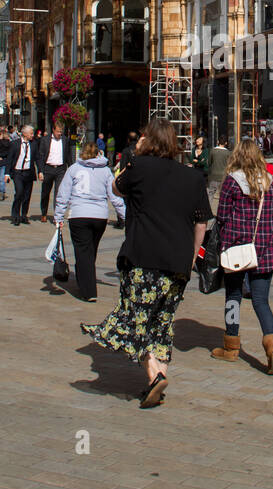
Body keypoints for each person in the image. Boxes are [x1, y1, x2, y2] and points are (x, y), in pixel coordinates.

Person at [81, 117, 212, 409]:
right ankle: (159, 378)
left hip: (142, 257)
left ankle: (154, 375)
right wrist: (193, 254)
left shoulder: (138, 168)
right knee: (162, 323)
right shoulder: (193, 177)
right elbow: (202, 222)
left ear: (148, 140)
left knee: (137, 320)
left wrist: (135, 156)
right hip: (178, 261)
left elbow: (115, 188)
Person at [212, 139, 273, 373]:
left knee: (233, 295)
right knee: (261, 301)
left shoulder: (233, 182)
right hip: (266, 249)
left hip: (236, 249)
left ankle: (231, 347)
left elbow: (222, 215)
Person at [55, 139, 126, 302]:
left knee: (83, 251)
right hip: (99, 216)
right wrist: (125, 215)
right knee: (90, 250)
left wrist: (59, 216)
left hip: (79, 214)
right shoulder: (105, 171)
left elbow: (63, 194)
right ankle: (83, 277)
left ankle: (89, 290)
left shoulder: (74, 169)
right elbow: (114, 197)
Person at [36, 123, 72, 222]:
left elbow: (68, 155)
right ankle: (44, 213)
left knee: (59, 193)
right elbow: (41, 156)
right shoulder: (45, 140)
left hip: (60, 169)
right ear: (53, 130)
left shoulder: (65, 140)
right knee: (45, 193)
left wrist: (71, 168)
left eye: (61, 132)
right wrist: (40, 171)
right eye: (58, 132)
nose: (59, 134)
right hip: (48, 168)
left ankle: (57, 216)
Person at [6, 124, 37, 224]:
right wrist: (6, 174)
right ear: (24, 134)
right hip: (18, 172)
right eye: (31, 133)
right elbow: (9, 159)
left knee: (27, 195)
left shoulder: (34, 144)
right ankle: (15, 216)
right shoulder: (15, 144)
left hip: (29, 172)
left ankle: (24, 215)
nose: (33, 135)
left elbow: (38, 158)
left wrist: (40, 171)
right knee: (19, 193)